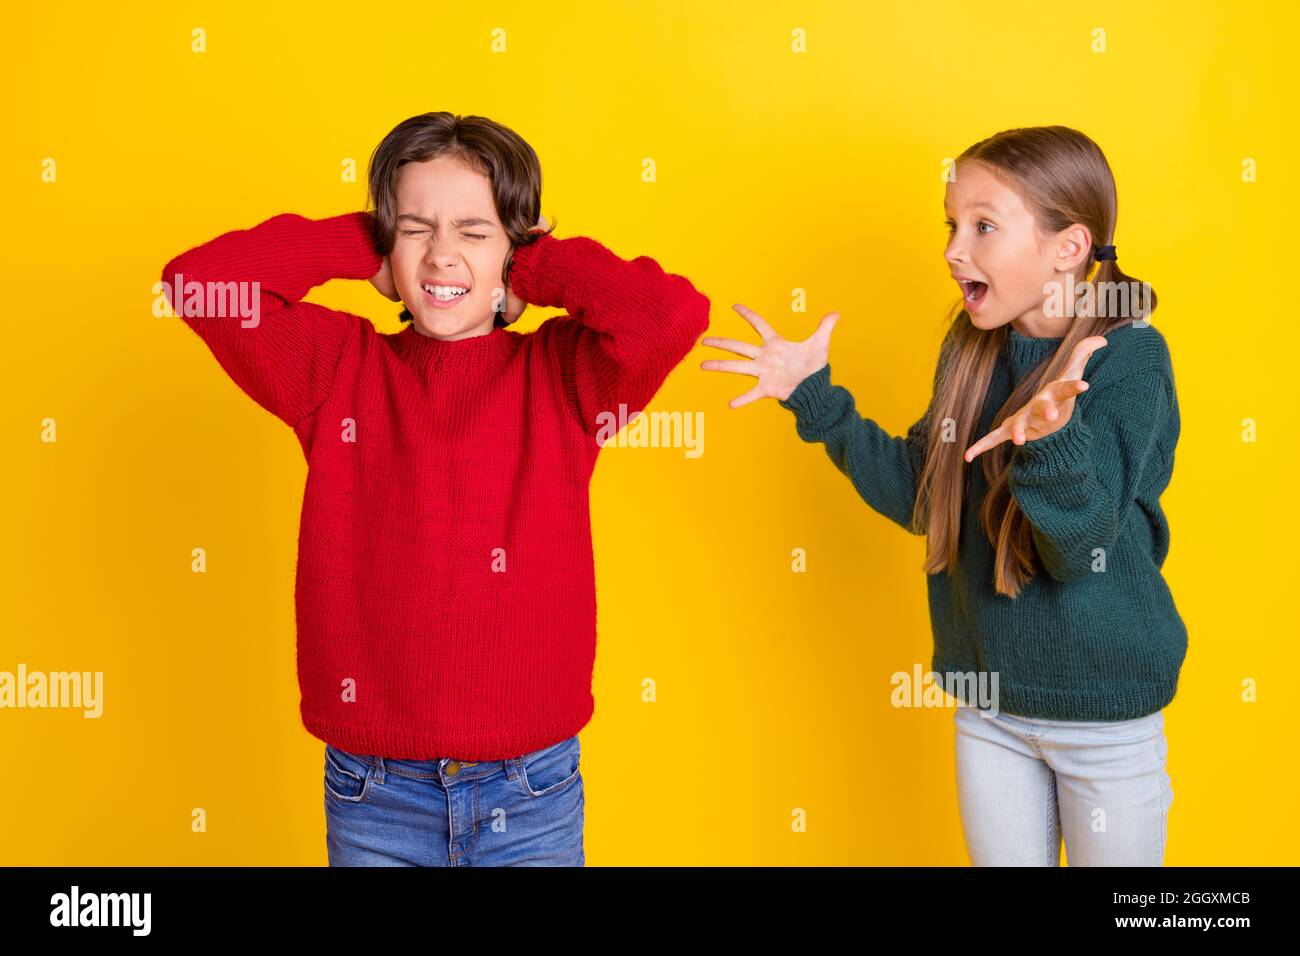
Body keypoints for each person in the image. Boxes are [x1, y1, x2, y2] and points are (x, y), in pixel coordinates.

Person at [161, 111, 711, 866]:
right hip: (374, 791)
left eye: (475, 233)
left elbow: (672, 314)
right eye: (416, 227)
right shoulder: (335, 369)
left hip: (532, 790)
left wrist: (538, 264)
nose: (442, 255)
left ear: (512, 250)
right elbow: (198, 284)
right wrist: (365, 242)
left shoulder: (565, 376)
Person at [702, 125, 1183, 866]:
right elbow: (927, 500)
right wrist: (816, 401)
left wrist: (1052, 439)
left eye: (984, 226)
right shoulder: (970, 347)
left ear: (1069, 246)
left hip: (1104, 718)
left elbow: (1078, 548)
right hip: (988, 707)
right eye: (952, 225)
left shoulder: (1131, 360)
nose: (955, 249)